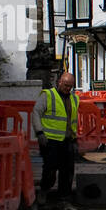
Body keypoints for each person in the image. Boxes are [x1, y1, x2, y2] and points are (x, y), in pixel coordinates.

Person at [32, 71, 79, 203]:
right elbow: (36, 113)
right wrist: (39, 133)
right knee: (50, 169)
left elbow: (72, 120)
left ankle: (64, 197)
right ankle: (44, 191)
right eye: (65, 85)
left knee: (68, 170)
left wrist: (75, 138)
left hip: (67, 140)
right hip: (50, 140)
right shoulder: (48, 95)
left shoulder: (74, 98)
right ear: (59, 82)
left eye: (70, 86)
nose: (68, 88)